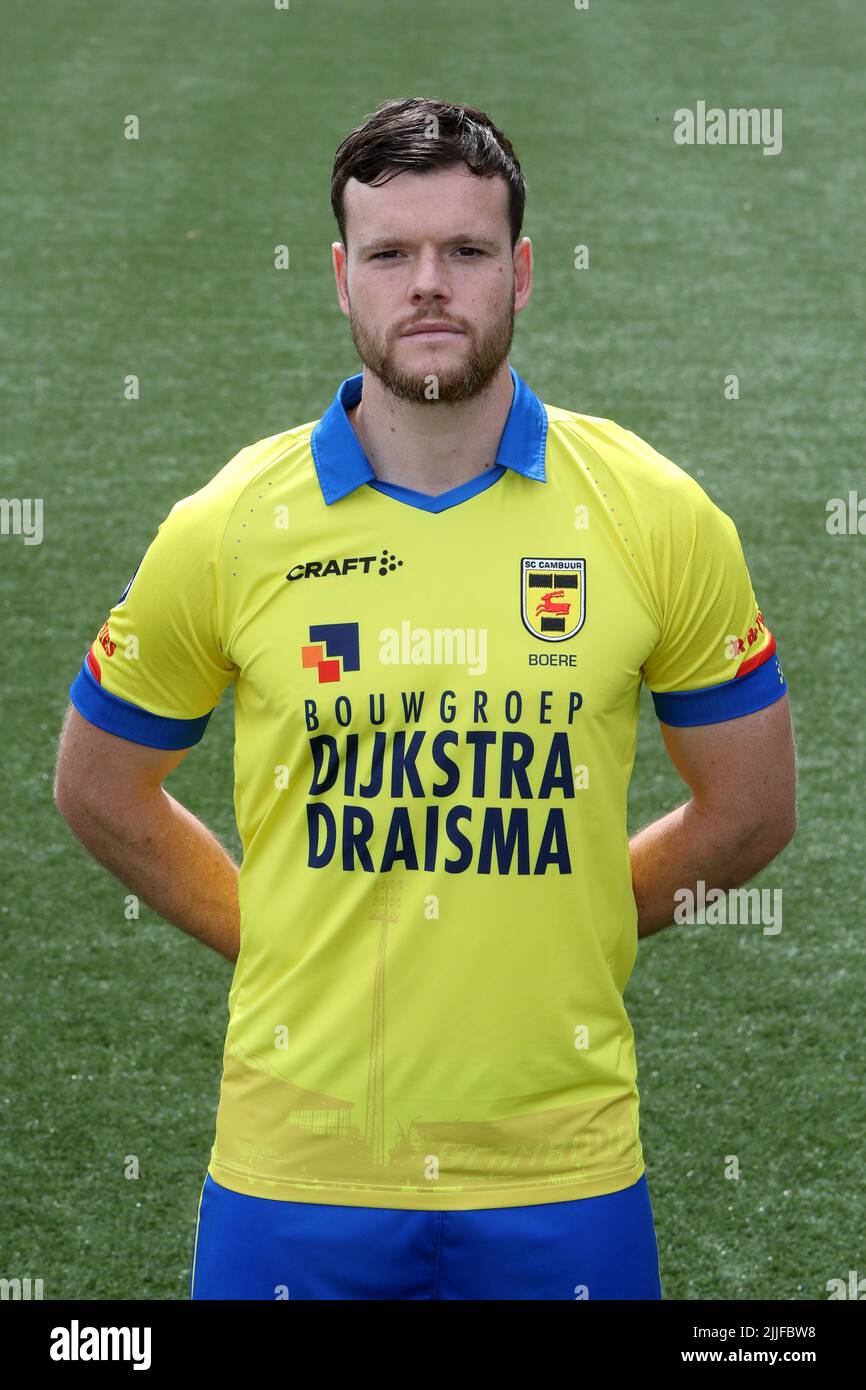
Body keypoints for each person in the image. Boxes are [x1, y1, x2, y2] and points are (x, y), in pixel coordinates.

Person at [54, 97, 797, 1300]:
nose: (429, 284)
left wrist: (576, 918)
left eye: (465, 250)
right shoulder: (228, 526)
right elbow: (98, 786)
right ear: (343, 279)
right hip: (293, 1172)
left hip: (564, 1169)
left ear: (523, 271)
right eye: (392, 254)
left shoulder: (656, 513)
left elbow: (752, 808)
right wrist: (282, 929)